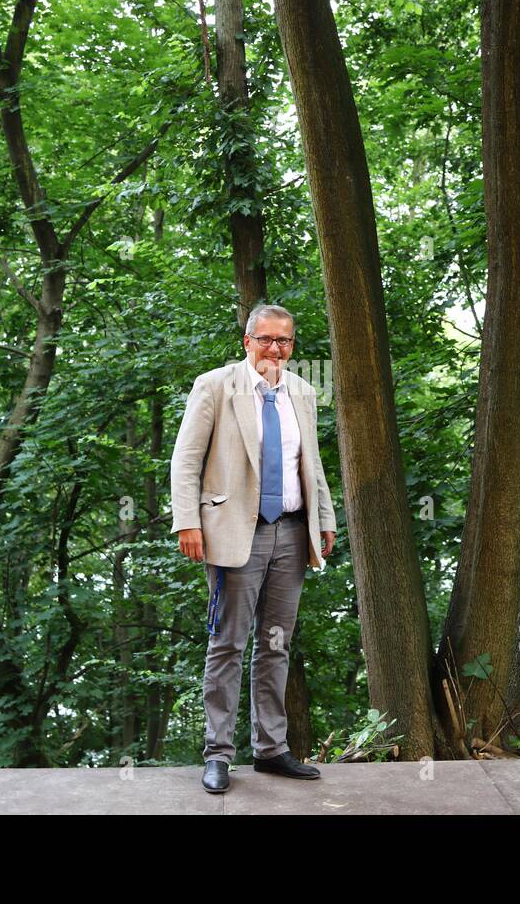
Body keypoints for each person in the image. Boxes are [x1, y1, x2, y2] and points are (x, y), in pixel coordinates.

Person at [169, 304, 336, 793]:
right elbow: (186, 460)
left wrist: (323, 518)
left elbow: (313, 465)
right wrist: (188, 522)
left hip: (291, 531)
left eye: (284, 341)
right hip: (232, 533)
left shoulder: (302, 392)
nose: (275, 350)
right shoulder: (216, 386)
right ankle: (218, 754)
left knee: (277, 645)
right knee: (227, 645)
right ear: (247, 342)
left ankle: (270, 750)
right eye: (266, 340)